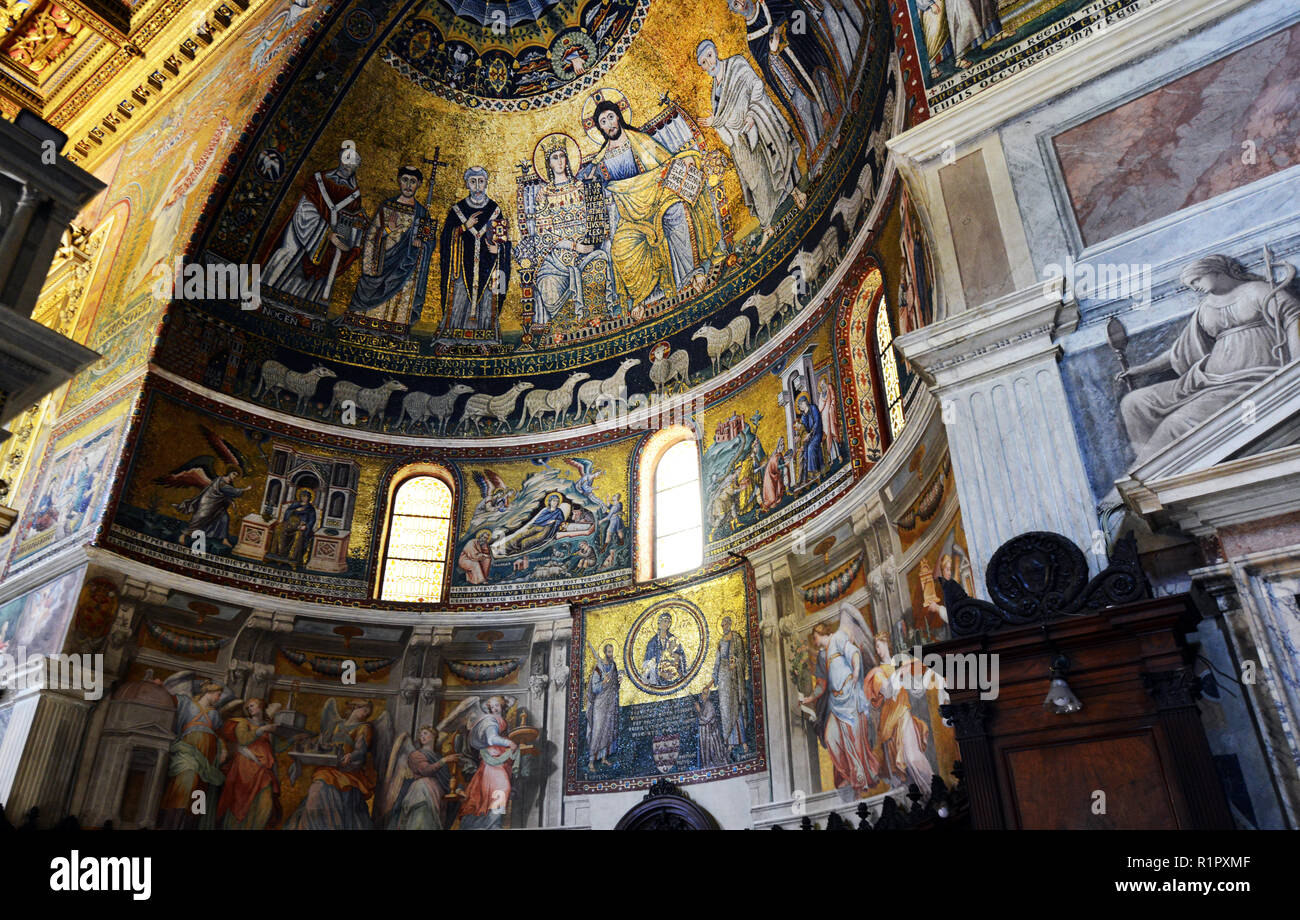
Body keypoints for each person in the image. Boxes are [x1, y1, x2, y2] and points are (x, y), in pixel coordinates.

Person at [1118, 254, 1300, 463]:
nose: (1195, 288)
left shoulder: (1259, 290)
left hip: (1250, 378)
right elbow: (1180, 350)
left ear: (1214, 270)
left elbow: (1293, 318)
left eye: (1196, 280)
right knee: (1134, 402)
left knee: (1174, 424)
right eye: (1191, 284)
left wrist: (1294, 370)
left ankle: (1146, 473)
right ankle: (1145, 471)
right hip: (1208, 379)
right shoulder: (1205, 307)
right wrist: (1142, 369)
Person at [580, 95, 723, 309]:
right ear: (600, 128)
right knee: (620, 246)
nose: (609, 124)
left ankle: (694, 272)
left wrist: (686, 160)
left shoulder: (640, 140)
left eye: (611, 117)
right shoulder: (599, 162)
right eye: (603, 122)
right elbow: (594, 198)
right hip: (630, 215)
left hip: (657, 199)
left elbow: (665, 162)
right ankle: (642, 299)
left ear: (618, 117)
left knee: (676, 211)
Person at [696, 39, 804, 246]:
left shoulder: (736, 64)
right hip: (740, 142)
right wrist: (718, 124)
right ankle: (767, 226)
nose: (709, 63)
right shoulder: (714, 92)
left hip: (757, 125)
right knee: (754, 181)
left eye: (709, 56)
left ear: (715, 52)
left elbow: (756, 85)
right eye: (703, 62)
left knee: (776, 161)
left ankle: (796, 192)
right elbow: (725, 121)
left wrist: (752, 112)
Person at [727, 0, 842, 161]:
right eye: (735, 4)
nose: (741, 3)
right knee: (805, 108)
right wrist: (773, 53)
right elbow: (766, 69)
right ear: (733, 10)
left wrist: (792, 35)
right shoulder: (752, 38)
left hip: (806, 53)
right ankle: (822, 143)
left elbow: (797, 13)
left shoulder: (770, 4)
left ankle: (840, 113)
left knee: (824, 83)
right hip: (791, 78)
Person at [262, 140, 367, 309]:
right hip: (303, 232)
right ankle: (266, 296)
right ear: (340, 158)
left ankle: (300, 309)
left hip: (328, 245)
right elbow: (304, 208)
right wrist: (326, 234)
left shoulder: (354, 195)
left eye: (353, 164)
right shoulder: (318, 180)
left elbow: (349, 222)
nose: (349, 166)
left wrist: (343, 240)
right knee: (289, 253)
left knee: (324, 269)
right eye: (347, 160)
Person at [340, 165, 434, 335]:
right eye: (405, 180)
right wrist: (387, 232)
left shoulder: (421, 213)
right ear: (399, 180)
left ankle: (392, 331)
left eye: (413, 181)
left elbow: (428, 242)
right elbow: (371, 235)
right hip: (383, 262)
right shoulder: (387, 206)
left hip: (405, 267)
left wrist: (422, 244)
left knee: (399, 299)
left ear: (419, 184)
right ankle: (362, 325)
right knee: (371, 288)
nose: (408, 185)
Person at [528, 133, 611, 323]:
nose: (559, 161)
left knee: (598, 261)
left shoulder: (582, 187)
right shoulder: (544, 196)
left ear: (567, 159)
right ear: (548, 163)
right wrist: (574, 247)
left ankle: (594, 319)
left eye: (562, 156)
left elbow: (599, 223)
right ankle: (566, 326)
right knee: (547, 283)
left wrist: (589, 244)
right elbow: (545, 236)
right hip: (557, 260)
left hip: (586, 252)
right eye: (554, 158)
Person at [799, 620, 880, 796]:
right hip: (835, 704)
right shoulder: (822, 656)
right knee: (831, 738)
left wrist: (857, 671)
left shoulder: (837, 638)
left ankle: (861, 779)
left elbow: (854, 653)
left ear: (821, 632)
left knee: (853, 740)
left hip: (849, 699)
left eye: (815, 637)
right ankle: (850, 775)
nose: (814, 641)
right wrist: (811, 697)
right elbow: (822, 683)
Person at [284, 699, 379, 830]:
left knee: (321, 794)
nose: (366, 714)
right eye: (364, 710)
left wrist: (351, 756)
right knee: (315, 793)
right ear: (355, 707)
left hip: (348, 772)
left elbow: (361, 750)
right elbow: (326, 743)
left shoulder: (364, 727)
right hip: (328, 767)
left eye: (368, 713)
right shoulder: (338, 725)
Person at [440, 167, 510, 338]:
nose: (477, 186)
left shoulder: (494, 209)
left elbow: (504, 241)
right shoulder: (458, 210)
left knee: (487, 298)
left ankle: (486, 337)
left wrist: (499, 250)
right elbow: (445, 239)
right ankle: (453, 335)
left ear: (486, 183)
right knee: (459, 296)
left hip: (489, 265)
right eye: (473, 181)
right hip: (462, 266)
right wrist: (464, 227)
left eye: (481, 181)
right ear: (467, 184)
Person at [865, 635, 935, 791]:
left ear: (887, 645)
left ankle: (932, 790)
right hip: (889, 722)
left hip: (903, 714)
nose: (878, 649)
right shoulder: (877, 673)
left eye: (880, 644)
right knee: (899, 768)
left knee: (912, 757)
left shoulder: (900, 664)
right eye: (876, 646)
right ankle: (919, 800)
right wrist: (899, 673)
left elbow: (917, 690)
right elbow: (888, 692)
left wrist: (925, 670)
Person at [159, 681, 226, 830]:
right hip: (188, 748)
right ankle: (171, 823)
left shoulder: (214, 713)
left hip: (208, 754)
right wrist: (159, 686)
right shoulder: (186, 703)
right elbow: (169, 699)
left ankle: (190, 824)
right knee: (187, 778)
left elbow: (219, 734)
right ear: (209, 691)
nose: (219, 698)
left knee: (199, 789)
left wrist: (224, 749)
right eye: (218, 694)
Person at [216, 698, 281, 830]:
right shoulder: (243, 723)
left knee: (265, 804)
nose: (250, 709)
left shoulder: (267, 726)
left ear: (261, 706)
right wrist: (261, 730)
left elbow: (274, 749)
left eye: (252, 706)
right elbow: (243, 740)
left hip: (263, 770)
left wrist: (292, 740)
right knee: (240, 802)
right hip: (245, 766)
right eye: (248, 707)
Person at [458, 697, 519, 829]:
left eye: (497, 705)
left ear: (502, 706)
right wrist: (508, 743)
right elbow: (491, 739)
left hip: (501, 758)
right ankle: (492, 823)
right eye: (492, 706)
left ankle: (494, 823)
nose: (495, 708)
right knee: (502, 788)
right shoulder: (491, 720)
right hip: (492, 760)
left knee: (496, 791)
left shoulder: (500, 720)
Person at [386, 726, 461, 830]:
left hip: (437, 796)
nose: (422, 736)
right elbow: (425, 770)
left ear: (434, 735)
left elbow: (446, 779)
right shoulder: (416, 755)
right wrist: (444, 761)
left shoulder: (438, 757)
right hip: (421, 793)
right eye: (421, 735)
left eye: (425, 733)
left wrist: (458, 789)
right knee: (420, 821)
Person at [176, 469, 249, 551]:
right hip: (208, 501)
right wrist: (244, 490)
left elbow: (225, 494)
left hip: (218, 504)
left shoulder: (229, 483)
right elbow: (227, 490)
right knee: (201, 517)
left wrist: (231, 501)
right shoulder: (220, 480)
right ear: (229, 472)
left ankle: (224, 539)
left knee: (224, 518)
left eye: (236, 476)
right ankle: (184, 535)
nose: (234, 477)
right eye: (234, 474)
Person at [712, 616, 748, 754]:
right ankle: (729, 741)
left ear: (730, 624)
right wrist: (713, 678)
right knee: (726, 708)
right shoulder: (721, 642)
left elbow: (742, 656)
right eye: (722, 625)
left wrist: (736, 663)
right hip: (723, 677)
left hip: (734, 676)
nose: (724, 627)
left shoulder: (736, 638)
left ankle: (743, 741)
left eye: (725, 624)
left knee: (736, 707)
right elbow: (717, 661)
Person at [586, 643, 620, 769]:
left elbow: (615, 684)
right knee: (598, 730)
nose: (611, 654)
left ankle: (604, 757)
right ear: (605, 653)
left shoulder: (613, 666)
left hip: (610, 702)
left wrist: (618, 682)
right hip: (600, 704)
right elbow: (594, 688)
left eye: (612, 651)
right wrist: (603, 682)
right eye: (609, 652)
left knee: (607, 729)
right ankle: (591, 761)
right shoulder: (598, 668)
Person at [271, 488, 317, 568]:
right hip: (290, 524)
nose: (304, 498)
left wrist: (306, 526)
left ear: (309, 498)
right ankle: (279, 553)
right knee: (279, 529)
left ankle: (292, 557)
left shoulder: (311, 509)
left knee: (299, 535)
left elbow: (312, 520)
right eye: (302, 496)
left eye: (306, 497)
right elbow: (287, 514)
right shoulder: (295, 505)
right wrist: (295, 510)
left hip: (301, 527)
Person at [642, 611, 688, 687]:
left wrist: (675, 663)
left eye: (669, 622)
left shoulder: (674, 639)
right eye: (664, 621)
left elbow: (681, 657)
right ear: (659, 622)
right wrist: (659, 671)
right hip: (657, 676)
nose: (666, 624)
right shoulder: (652, 642)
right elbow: (647, 662)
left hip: (673, 674)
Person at [695, 685, 729, 767]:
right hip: (707, 733)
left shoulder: (709, 705)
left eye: (705, 693)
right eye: (702, 693)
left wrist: (699, 710)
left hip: (711, 734)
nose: (702, 695)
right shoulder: (704, 704)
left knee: (714, 752)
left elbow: (706, 719)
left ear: (708, 695)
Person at [796, 392, 824, 481]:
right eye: (799, 406)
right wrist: (800, 435)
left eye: (800, 405)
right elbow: (803, 429)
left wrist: (810, 433)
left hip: (818, 433)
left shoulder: (813, 408)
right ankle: (810, 473)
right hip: (810, 437)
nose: (800, 407)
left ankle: (813, 471)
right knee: (805, 449)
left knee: (811, 447)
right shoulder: (803, 417)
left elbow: (817, 422)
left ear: (805, 403)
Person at [818, 378, 842, 464]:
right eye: (821, 386)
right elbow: (820, 408)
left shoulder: (829, 388)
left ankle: (839, 455)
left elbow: (833, 399)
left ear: (826, 383)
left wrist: (831, 409)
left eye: (823, 384)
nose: (822, 387)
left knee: (833, 434)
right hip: (824, 418)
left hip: (830, 415)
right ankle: (831, 459)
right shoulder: (821, 395)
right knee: (827, 436)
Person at [761, 435, 787, 509]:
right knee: (772, 497)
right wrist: (785, 464)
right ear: (778, 444)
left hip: (776, 475)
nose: (782, 445)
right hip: (771, 476)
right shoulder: (776, 456)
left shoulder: (779, 455)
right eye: (781, 443)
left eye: (783, 444)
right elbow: (776, 467)